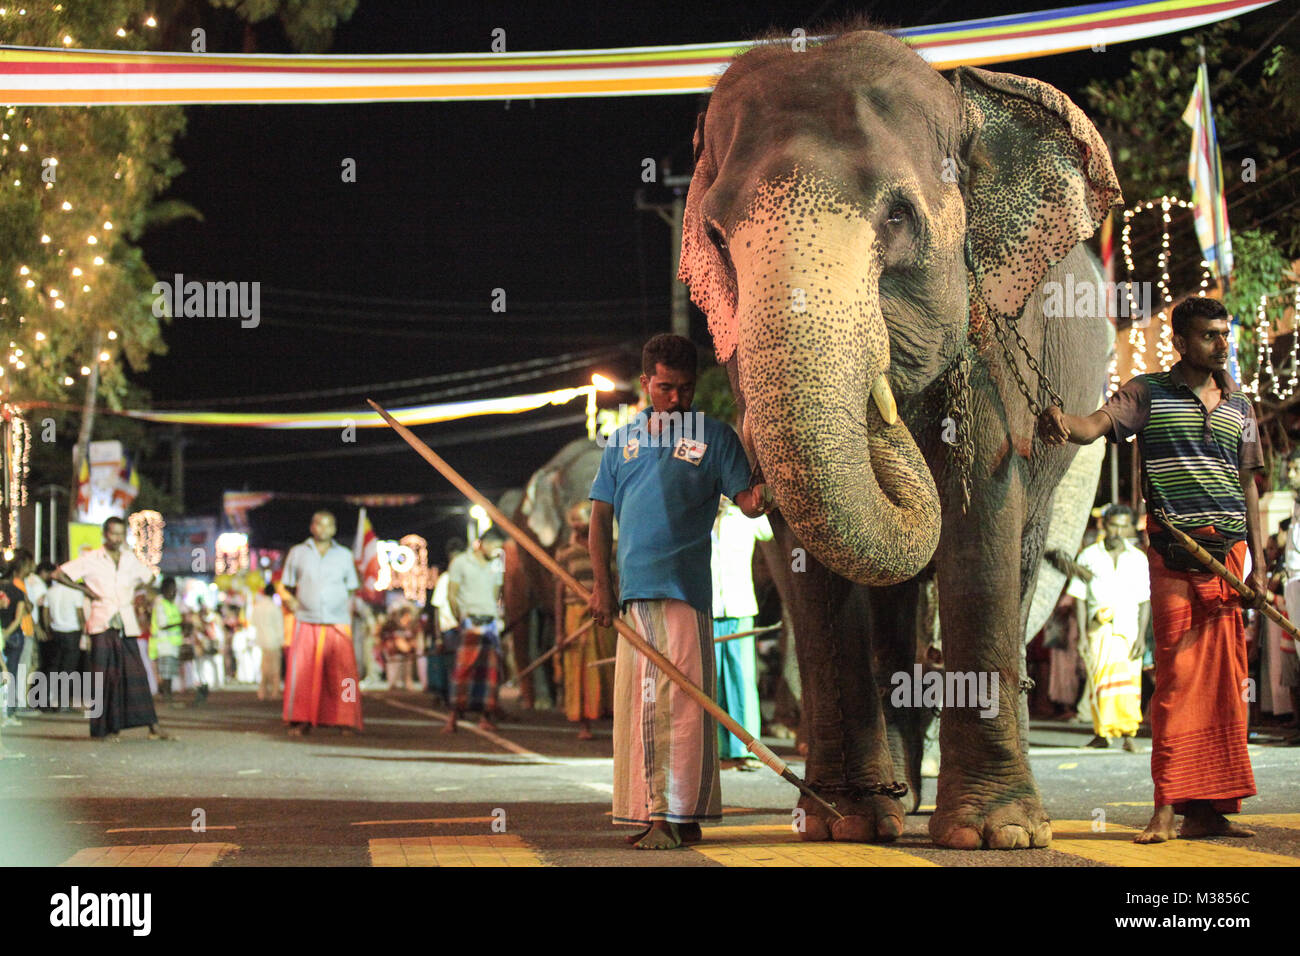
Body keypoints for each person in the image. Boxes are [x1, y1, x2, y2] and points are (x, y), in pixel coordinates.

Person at [1039, 294, 1262, 843]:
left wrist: (1258, 567)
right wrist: (1063, 422)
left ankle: (1208, 810)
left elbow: (1249, 487)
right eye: (1209, 335)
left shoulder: (1241, 406)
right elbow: (1094, 426)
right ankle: (1166, 806)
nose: (1221, 344)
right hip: (1174, 554)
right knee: (1178, 681)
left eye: (1225, 334)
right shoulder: (1147, 393)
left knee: (1225, 685)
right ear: (1180, 342)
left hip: (1230, 558)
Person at [589, 333, 772, 850]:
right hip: (633, 598)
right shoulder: (620, 442)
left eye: (685, 389)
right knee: (642, 708)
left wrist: (770, 488)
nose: (676, 399)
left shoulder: (714, 437)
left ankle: (675, 815)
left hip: (686, 594)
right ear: (645, 383)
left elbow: (748, 502)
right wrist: (602, 586)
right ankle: (660, 812)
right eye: (665, 388)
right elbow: (600, 519)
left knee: (685, 707)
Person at [53, 516, 172, 740]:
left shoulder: (130, 559)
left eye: (120, 534)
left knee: (136, 674)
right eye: (113, 534)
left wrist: (137, 590)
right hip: (102, 621)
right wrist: (86, 590)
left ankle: (152, 726)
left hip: (126, 622)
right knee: (103, 677)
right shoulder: (91, 558)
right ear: (105, 534)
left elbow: (150, 578)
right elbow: (58, 574)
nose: (117, 538)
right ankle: (104, 729)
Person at [1066, 505, 1150, 751]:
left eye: (1124, 526)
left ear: (1131, 528)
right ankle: (1101, 733)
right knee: (1099, 683)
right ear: (1105, 525)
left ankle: (1128, 735)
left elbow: (1145, 601)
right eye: (1114, 525)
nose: (1118, 532)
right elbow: (1079, 597)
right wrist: (1082, 635)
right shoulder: (1088, 556)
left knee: (1129, 684)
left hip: (1128, 630)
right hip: (1098, 629)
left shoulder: (1138, 559)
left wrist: (1142, 637)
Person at [280, 510, 363, 735]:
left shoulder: (344, 555)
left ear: (334, 529)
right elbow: (286, 585)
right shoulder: (298, 553)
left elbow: (352, 587)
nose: (323, 529)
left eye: (328, 525)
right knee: (302, 673)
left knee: (345, 675)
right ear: (312, 527)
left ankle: (347, 719)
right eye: (319, 524)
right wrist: (292, 601)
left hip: (338, 621)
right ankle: (300, 719)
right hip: (306, 620)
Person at [711, 495, 773, 770]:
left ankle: (747, 748)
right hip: (708, 609)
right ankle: (718, 748)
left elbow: (770, 530)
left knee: (743, 678)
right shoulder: (697, 516)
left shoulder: (746, 519)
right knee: (711, 679)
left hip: (740, 608)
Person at [554, 501, 616, 739]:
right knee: (578, 669)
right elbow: (559, 591)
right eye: (574, 522)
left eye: (581, 520)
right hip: (576, 614)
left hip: (604, 614)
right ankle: (584, 723)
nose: (577, 526)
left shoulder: (611, 548)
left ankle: (611, 718)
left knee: (607, 665)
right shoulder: (565, 552)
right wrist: (559, 631)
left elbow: (616, 580)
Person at [444, 528, 506, 732]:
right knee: (463, 671)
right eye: (494, 546)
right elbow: (452, 595)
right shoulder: (461, 562)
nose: (497, 551)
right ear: (481, 543)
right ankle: (453, 717)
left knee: (489, 674)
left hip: (490, 623)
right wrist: (460, 619)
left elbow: (495, 596)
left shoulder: (497, 564)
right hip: (470, 621)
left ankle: (485, 716)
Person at [41, 568, 86, 713]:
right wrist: (85, 631)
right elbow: (80, 614)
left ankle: (47, 700)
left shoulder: (50, 591)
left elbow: (45, 613)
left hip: (56, 632)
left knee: (53, 667)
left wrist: (48, 629)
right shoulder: (76, 592)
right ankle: (62, 702)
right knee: (68, 668)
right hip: (72, 632)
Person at [0, 553, 31, 723]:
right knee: (11, 672)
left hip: (1, 632)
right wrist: (7, 633)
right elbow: (18, 618)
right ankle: (9, 712)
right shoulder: (18, 592)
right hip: (14, 635)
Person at [150, 577, 184, 705]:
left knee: (170, 673)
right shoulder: (161, 604)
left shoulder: (172, 605)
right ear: (164, 590)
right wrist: (180, 624)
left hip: (173, 644)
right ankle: (167, 698)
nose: (174, 592)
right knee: (166, 674)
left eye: (175, 589)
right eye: (171, 589)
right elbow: (163, 624)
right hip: (164, 644)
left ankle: (168, 697)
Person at [251, 582, 285, 701]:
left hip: (261, 640)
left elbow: (253, 622)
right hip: (273, 641)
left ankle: (262, 691)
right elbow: (279, 626)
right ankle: (274, 691)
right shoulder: (274, 608)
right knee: (275, 668)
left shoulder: (257, 607)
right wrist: (281, 640)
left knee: (264, 667)